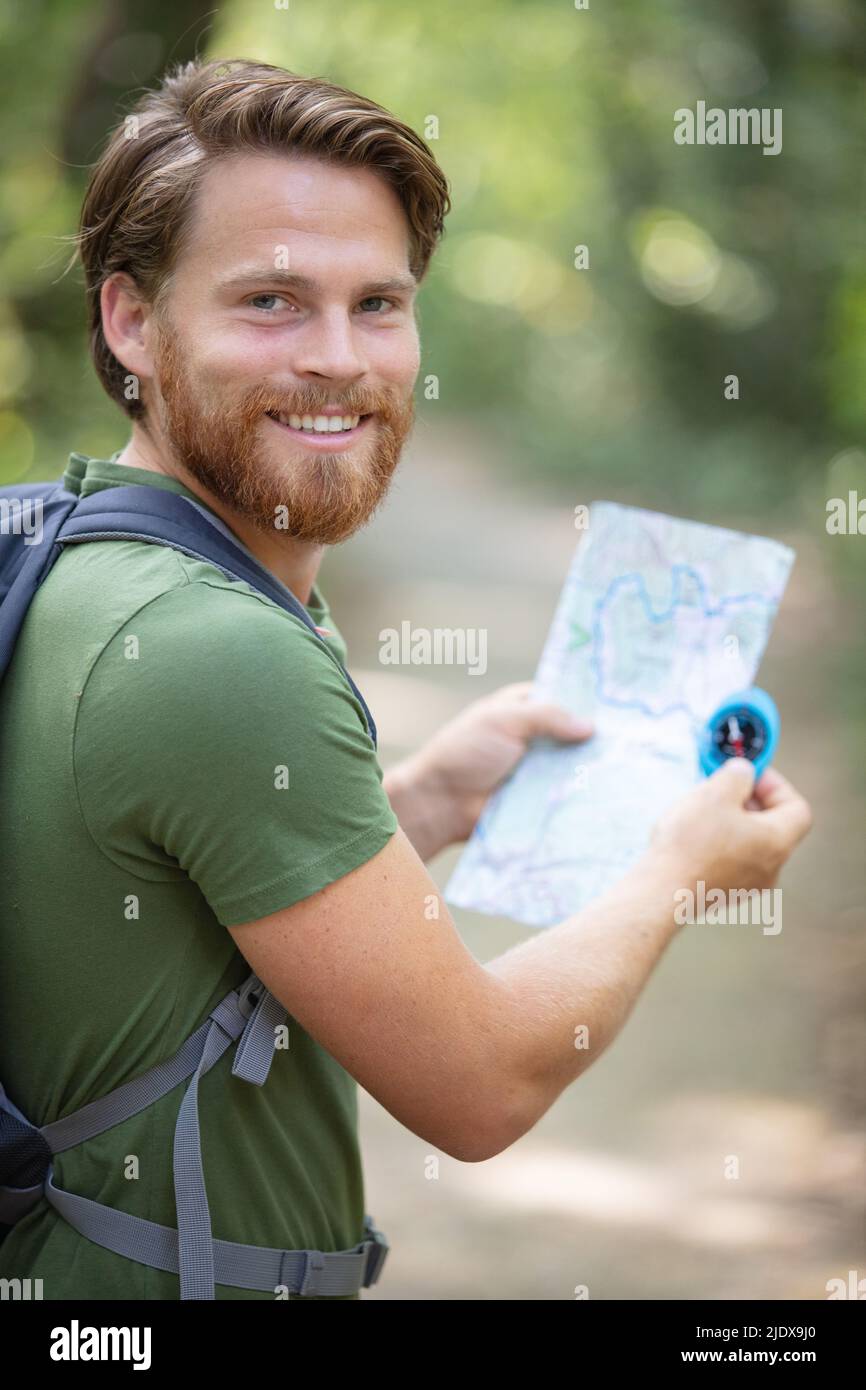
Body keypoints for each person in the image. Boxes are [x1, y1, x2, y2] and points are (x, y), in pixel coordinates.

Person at [0, 57, 812, 1301]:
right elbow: (478, 1086)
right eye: (270, 301)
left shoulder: (85, 550)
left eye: (376, 304)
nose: (338, 359)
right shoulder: (218, 651)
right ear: (130, 323)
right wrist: (681, 875)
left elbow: (174, 907)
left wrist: (428, 797)